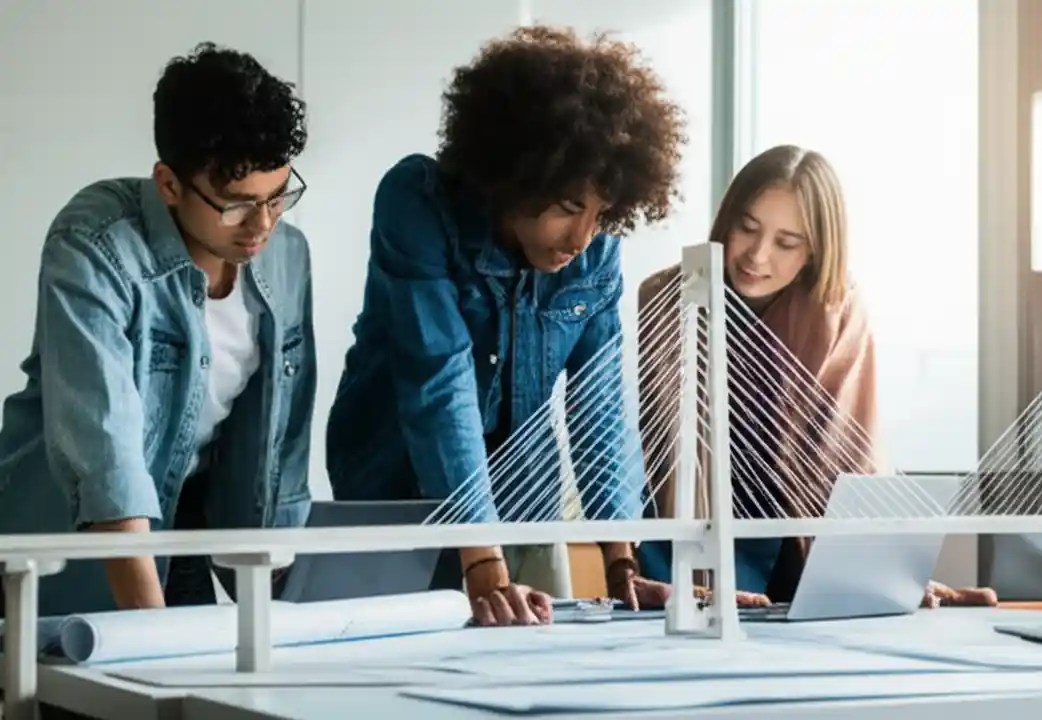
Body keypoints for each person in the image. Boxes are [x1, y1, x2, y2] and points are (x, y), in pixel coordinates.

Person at [325, 26, 686, 626]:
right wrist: (483, 561)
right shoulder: (416, 202)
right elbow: (437, 385)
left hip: (524, 493)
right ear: (514, 178)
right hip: (391, 488)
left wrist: (623, 560)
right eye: (570, 207)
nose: (584, 237)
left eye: (602, 212)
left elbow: (599, 404)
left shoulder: (596, 252)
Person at [0, 43, 315, 615]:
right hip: (69, 544)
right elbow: (105, 449)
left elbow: (281, 441)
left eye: (278, 197)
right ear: (168, 184)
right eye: (237, 205)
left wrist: (285, 603)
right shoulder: (96, 241)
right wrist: (152, 631)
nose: (263, 225)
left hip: (181, 531)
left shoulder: (287, 254)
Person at [636, 145, 996, 608]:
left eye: (786, 243)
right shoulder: (668, 297)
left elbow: (849, 452)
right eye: (747, 227)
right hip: (686, 535)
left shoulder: (837, 308)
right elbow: (668, 451)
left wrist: (879, 567)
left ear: (815, 250)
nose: (757, 256)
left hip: (800, 538)